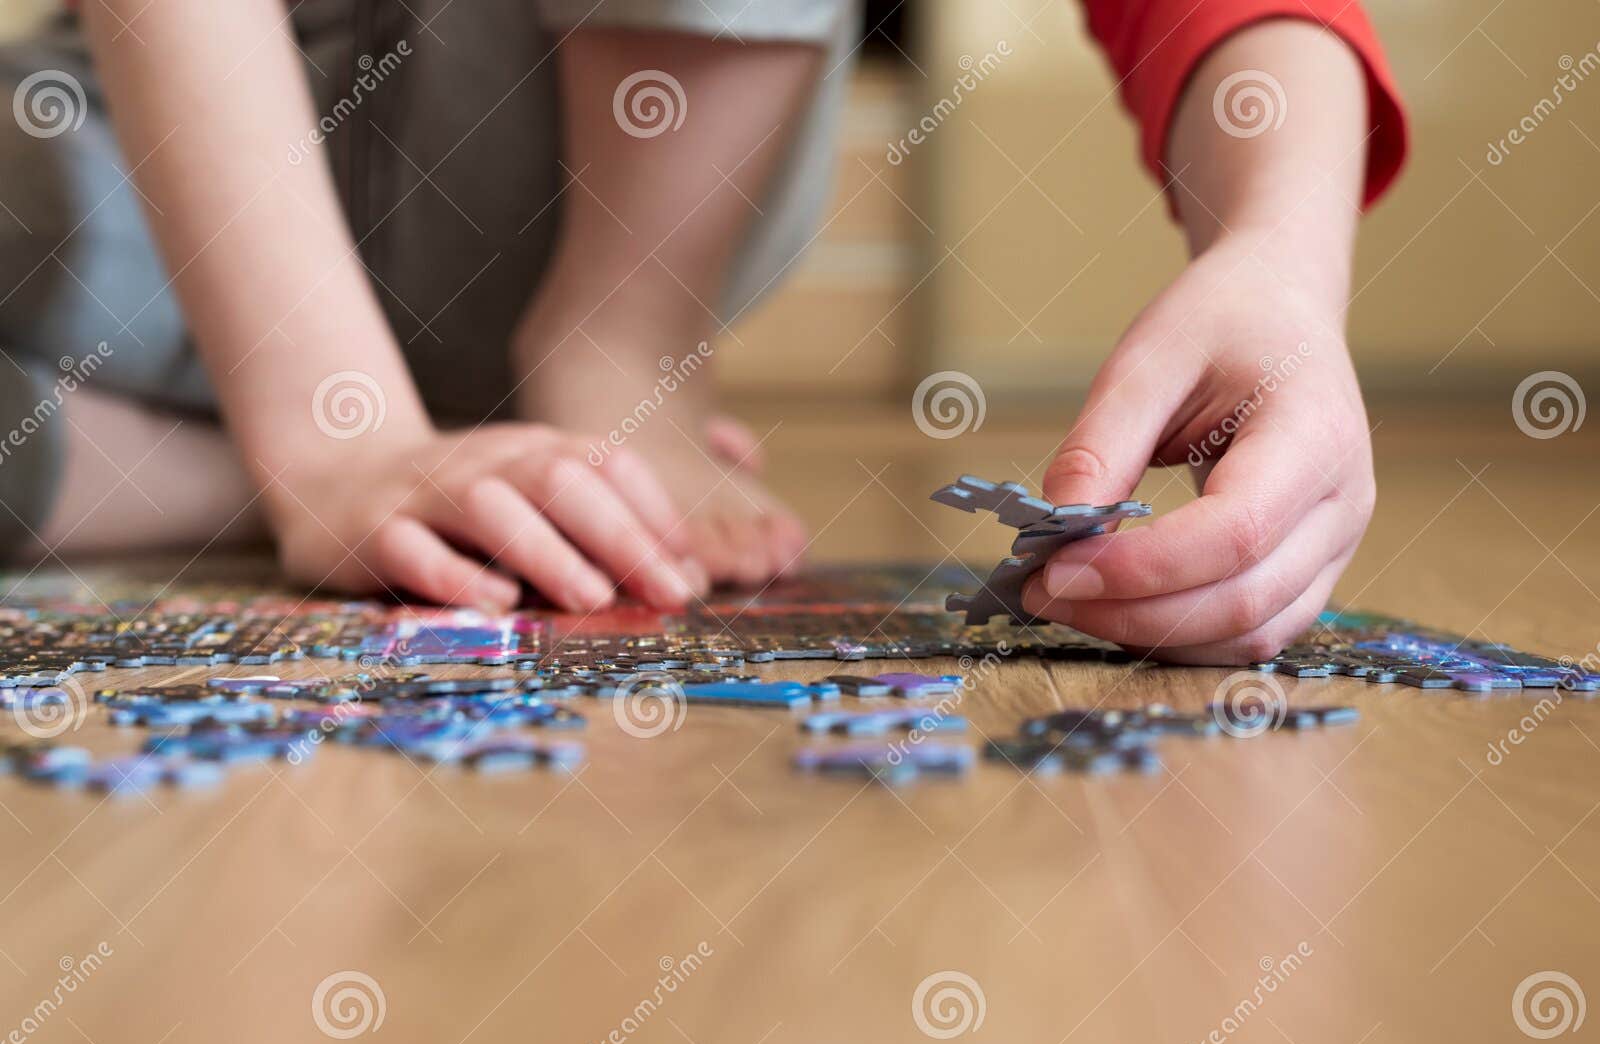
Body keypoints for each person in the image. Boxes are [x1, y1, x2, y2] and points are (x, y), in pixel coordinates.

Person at [0, 1, 1404, 664]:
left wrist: (1281, 251)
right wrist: (318, 431)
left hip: (583, 142)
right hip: (175, 161)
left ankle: (616, 364)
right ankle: (445, 480)